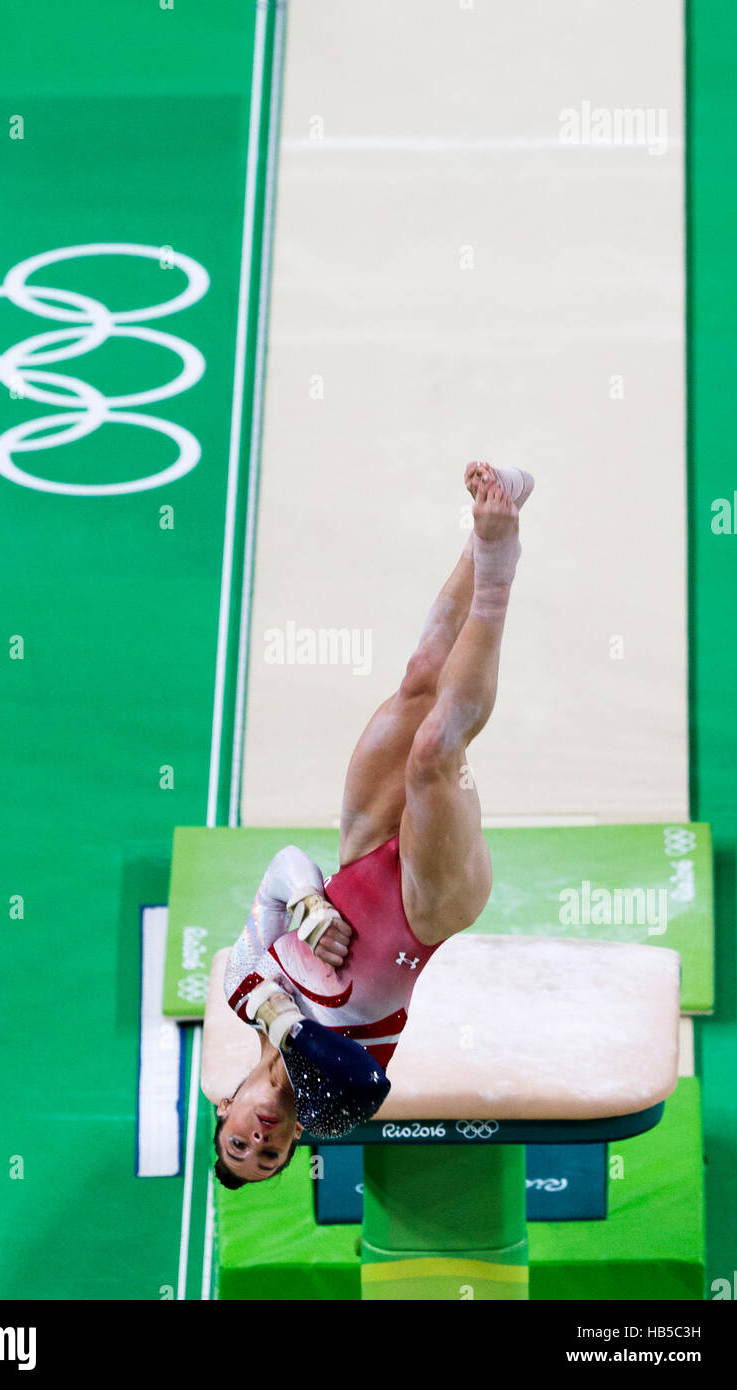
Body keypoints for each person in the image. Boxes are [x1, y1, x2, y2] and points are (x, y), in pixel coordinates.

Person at [215, 460, 534, 1187]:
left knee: (420, 680)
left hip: (358, 863)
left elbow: (280, 870)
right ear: (296, 1147)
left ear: (225, 1107)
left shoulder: (244, 985)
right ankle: (497, 565)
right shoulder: (335, 1109)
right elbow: (320, 1053)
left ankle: (498, 508)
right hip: (428, 908)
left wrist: (306, 901)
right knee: (431, 756)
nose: (260, 1141)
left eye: (239, 1145)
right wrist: (276, 1016)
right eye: (271, 1156)